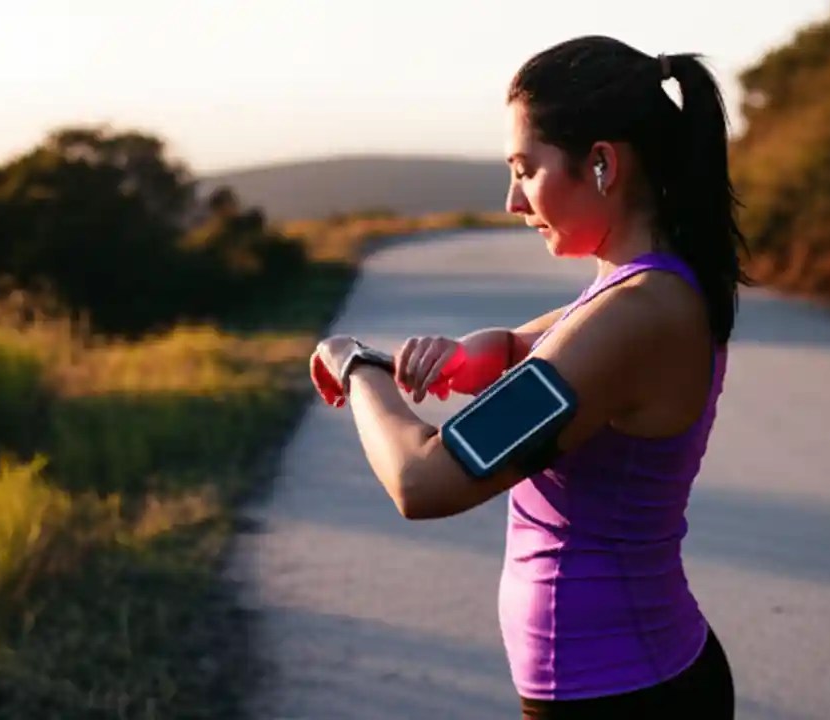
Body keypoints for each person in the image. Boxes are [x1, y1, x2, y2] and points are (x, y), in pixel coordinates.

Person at [309, 36, 749, 718]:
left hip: (626, 692)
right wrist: (479, 352)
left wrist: (354, 361)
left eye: (525, 170)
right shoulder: (634, 292)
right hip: (617, 681)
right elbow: (531, 349)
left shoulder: (634, 315)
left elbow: (424, 480)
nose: (514, 200)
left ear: (601, 163)